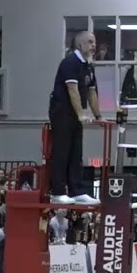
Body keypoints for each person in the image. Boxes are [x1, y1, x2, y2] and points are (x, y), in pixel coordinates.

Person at [49, 31, 102, 205]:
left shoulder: (89, 65)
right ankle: (57, 192)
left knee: (76, 152)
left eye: (94, 42)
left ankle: (77, 191)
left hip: (75, 113)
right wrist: (80, 114)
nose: (94, 45)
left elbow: (91, 92)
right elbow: (73, 91)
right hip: (62, 111)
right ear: (80, 45)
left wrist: (98, 115)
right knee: (62, 150)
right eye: (90, 42)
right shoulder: (70, 62)